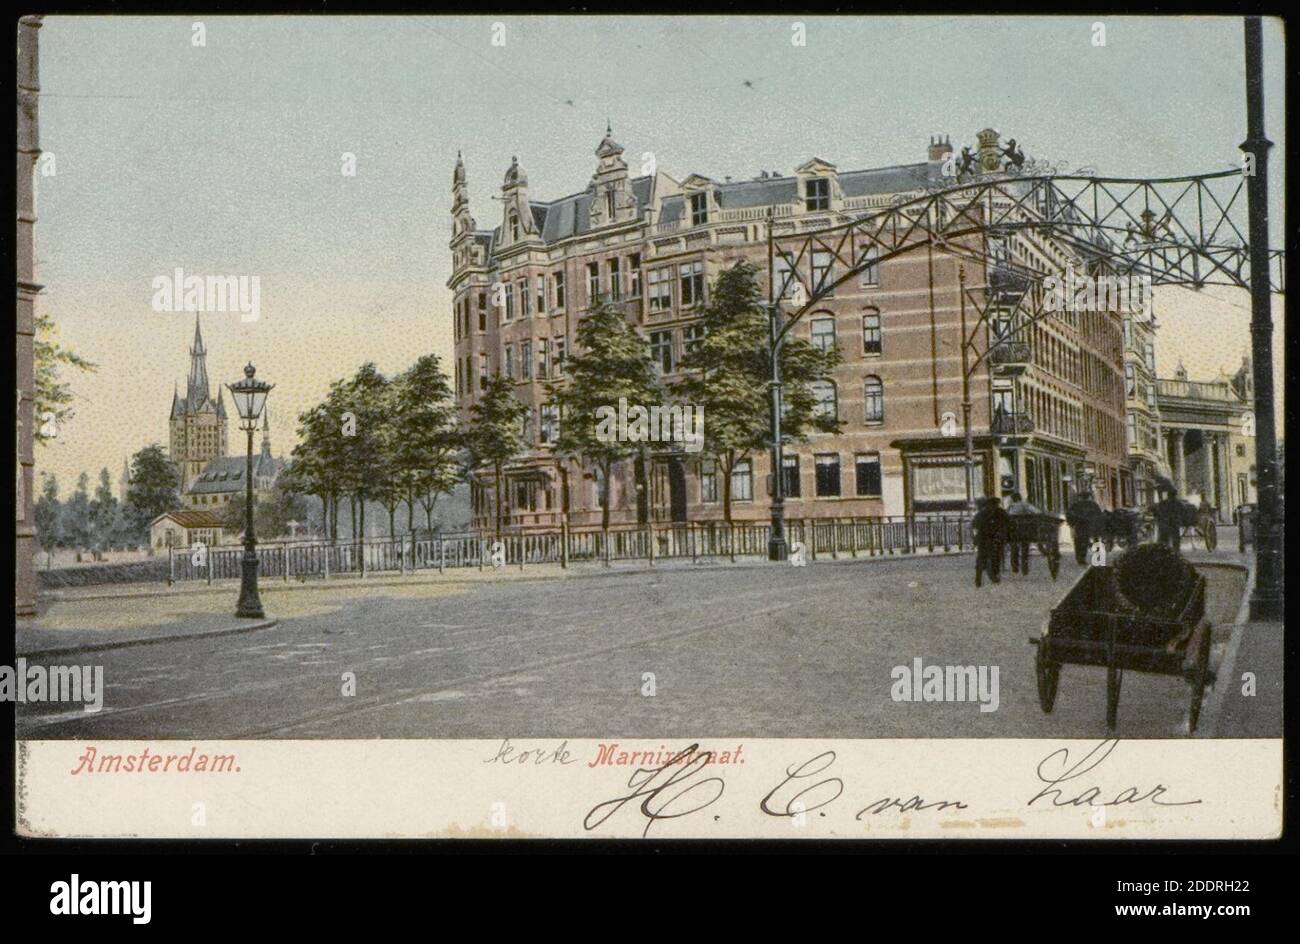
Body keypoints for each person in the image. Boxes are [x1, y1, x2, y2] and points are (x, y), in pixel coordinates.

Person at [972, 496, 1009, 587]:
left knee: (981, 557)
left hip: (982, 537)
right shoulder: (1001, 512)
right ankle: (994, 575)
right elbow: (1008, 523)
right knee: (996, 556)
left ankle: (978, 578)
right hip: (996, 537)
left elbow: (974, 525)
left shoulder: (981, 513)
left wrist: (976, 538)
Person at [1006, 491, 1040, 575]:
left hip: (1014, 531)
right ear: (1020, 498)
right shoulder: (1025, 504)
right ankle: (1025, 568)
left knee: (1014, 548)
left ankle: (1015, 567)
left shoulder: (1010, 507)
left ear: (1013, 499)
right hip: (1025, 530)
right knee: (1025, 549)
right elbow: (1037, 512)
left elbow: (1006, 516)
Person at [1066, 491, 1104, 565]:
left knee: (1079, 542)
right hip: (1088, 526)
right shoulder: (1093, 505)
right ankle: (1082, 557)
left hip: (1080, 526)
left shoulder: (1076, 505)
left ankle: (1080, 557)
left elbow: (1069, 514)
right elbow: (1099, 515)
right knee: (1084, 542)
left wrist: (1071, 523)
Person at [1154, 486, 1185, 554]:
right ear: (1175, 495)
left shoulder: (1162, 503)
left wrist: (1161, 519)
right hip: (1174, 523)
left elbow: (1158, 512)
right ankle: (1176, 552)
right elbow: (1183, 511)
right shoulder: (1179, 503)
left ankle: (1164, 552)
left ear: (1168, 495)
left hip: (1165, 523)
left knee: (1164, 539)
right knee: (1175, 539)